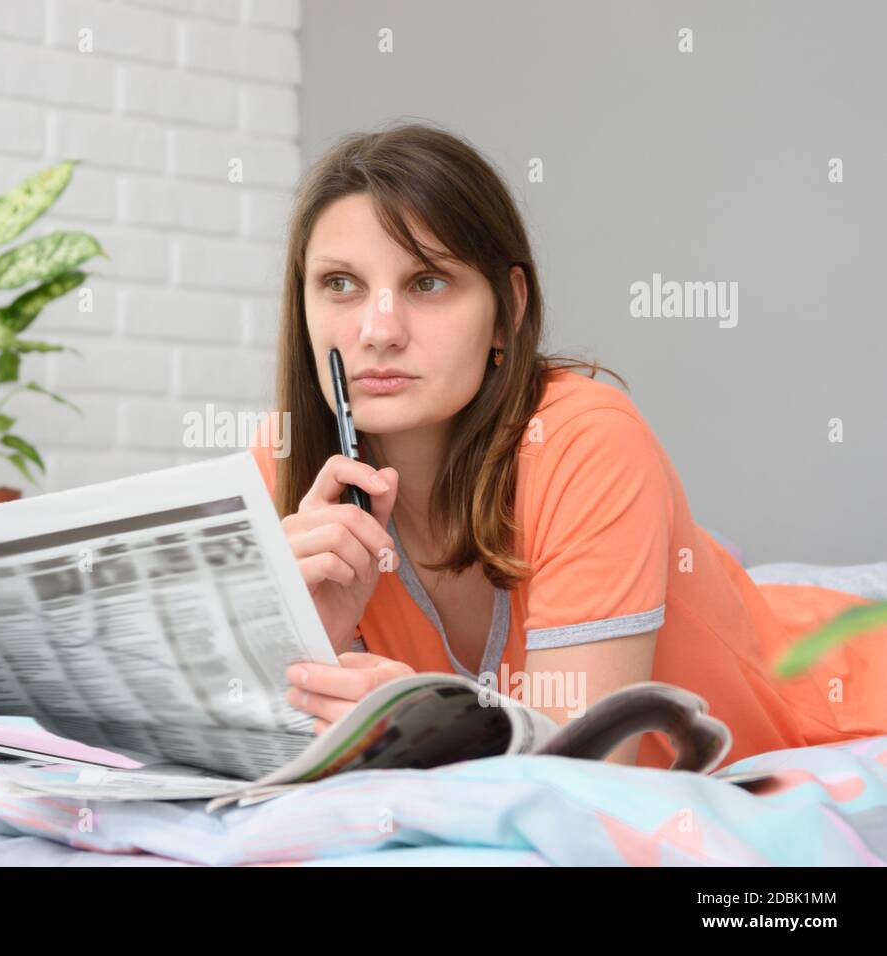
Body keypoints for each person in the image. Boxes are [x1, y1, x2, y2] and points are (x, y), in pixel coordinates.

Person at [250, 121, 887, 769]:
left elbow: (591, 777)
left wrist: (437, 724)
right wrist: (309, 637)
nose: (378, 329)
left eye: (428, 282)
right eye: (340, 284)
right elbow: (241, 749)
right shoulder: (277, 471)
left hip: (839, 697)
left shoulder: (588, 440)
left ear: (509, 307)